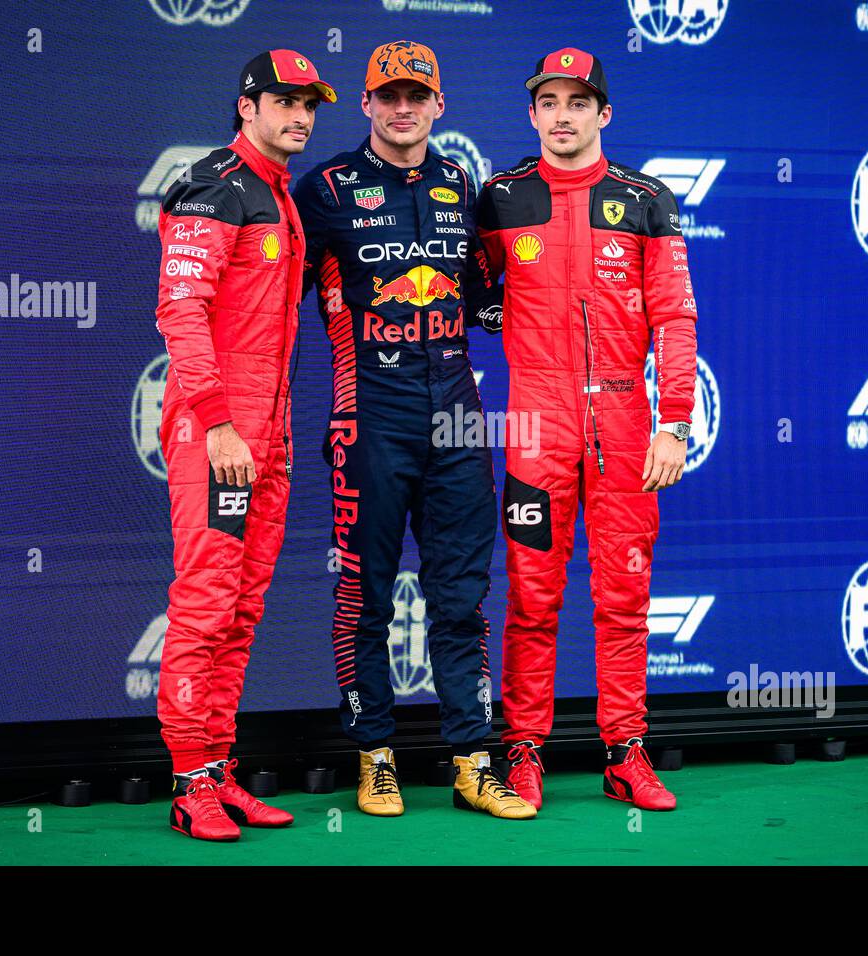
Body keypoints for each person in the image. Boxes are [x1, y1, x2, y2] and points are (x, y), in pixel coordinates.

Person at [292, 40, 532, 820]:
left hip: (457, 411)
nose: (403, 108)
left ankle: (472, 760)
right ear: (365, 104)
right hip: (370, 414)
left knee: (460, 595)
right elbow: (270, 294)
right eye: (388, 96)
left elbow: (489, 295)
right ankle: (376, 756)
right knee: (367, 596)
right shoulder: (323, 189)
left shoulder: (462, 184)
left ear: (438, 104)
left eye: (416, 95)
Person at [474, 48, 699, 812]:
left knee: (624, 597)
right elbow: (467, 297)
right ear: (532, 113)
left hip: (626, 425)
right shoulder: (500, 198)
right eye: (549, 102)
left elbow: (674, 315)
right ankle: (524, 753)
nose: (562, 116)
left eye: (578, 102)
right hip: (536, 422)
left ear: (604, 113)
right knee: (532, 597)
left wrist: (674, 421)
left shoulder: (646, 199)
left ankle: (624, 752)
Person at [154, 49, 336, 841]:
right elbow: (182, 311)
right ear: (248, 105)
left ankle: (217, 766)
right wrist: (220, 420)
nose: (299, 117)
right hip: (218, 430)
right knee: (204, 603)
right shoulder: (216, 185)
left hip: (270, 429)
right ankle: (189, 777)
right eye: (285, 103)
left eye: (309, 106)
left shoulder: (277, 194)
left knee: (243, 604)